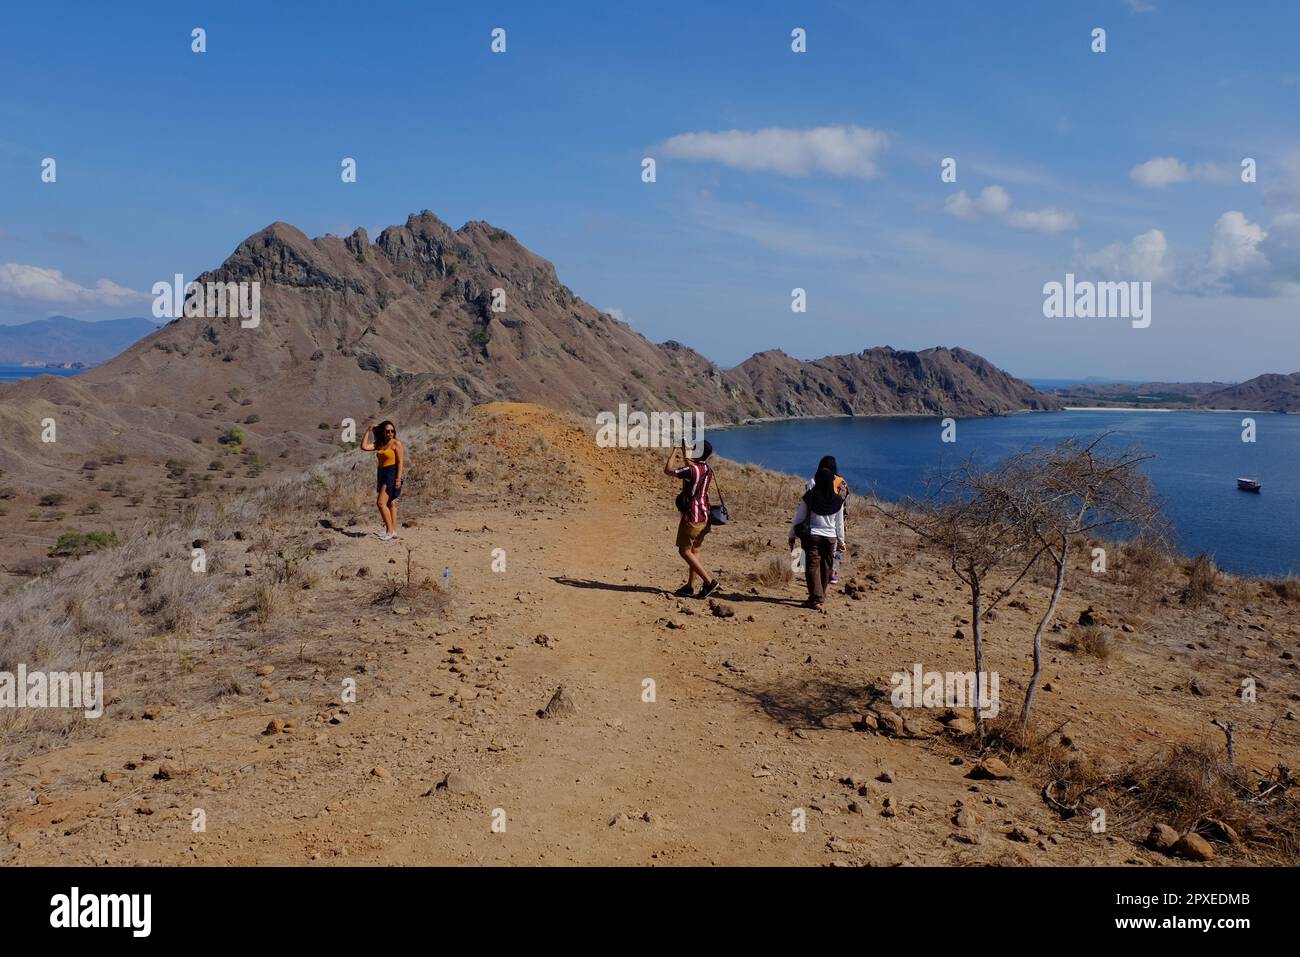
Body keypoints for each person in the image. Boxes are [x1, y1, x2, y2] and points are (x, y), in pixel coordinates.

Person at [664, 438, 721, 598]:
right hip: (705, 516)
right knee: (694, 551)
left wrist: (676, 451)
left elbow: (668, 470)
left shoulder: (690, 471)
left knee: (684, 551)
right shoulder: (707, 469)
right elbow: (693, 464)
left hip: (692, 517)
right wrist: (685, 452)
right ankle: (690, 586)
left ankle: (710, 582)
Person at [789, 467, 845, 609]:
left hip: (812, 536)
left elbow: (799, 518)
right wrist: (841, 541)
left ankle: (816, 597)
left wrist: (792, 535)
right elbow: (840, 523)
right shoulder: (838, 500)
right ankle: (819, 595)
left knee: (811, 567)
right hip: (830, 538)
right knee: (826, 567)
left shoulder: (809, 496)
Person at [806, 455, 849, 583]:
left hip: (813, 520)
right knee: (835, 548)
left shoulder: (813, 480)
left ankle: (810, 573)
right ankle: (833, 573)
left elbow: (808, 496)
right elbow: (844, 499)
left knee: (812, 550)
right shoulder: (841, 482)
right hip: (837, 517)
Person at [360, 420, 404, 541]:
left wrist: (398, 479)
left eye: (392, 431)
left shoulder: (396, 444)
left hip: (391, 473)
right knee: (390, 503)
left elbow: (400, 463)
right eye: (387, 431)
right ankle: (393, 530)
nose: (390, 433)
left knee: (381, 503)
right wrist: (368, 430)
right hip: (381, 473)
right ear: (383, 432)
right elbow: (363, 447)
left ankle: (389, 531)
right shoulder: (380, 444)